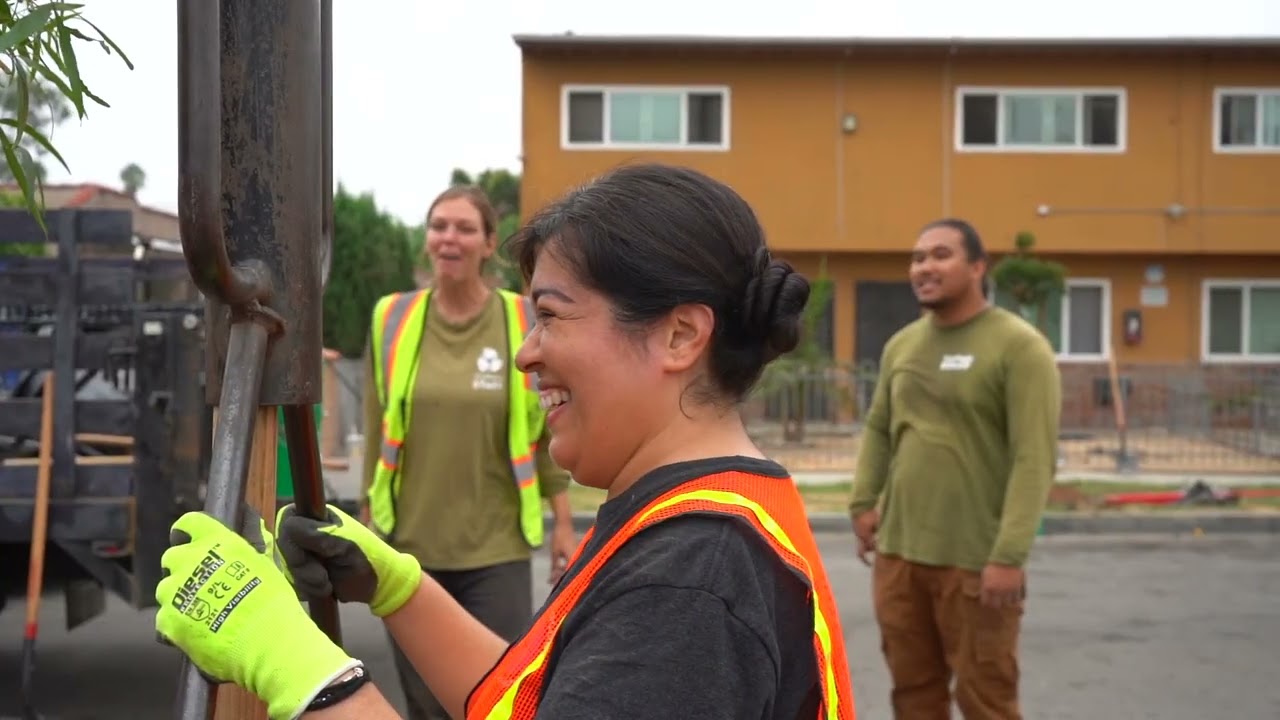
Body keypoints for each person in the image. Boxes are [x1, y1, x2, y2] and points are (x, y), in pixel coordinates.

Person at [152, 163, 858, 720]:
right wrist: (402, 589)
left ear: (680, 335)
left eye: (550, 315)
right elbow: (543, 700)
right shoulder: (706, 512)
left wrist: (299, 670)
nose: (527, 354)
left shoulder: (693, 580)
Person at [356, 184, 577, 719]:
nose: (448, 238)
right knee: (427, 705)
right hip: (410, 551)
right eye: (439, 226)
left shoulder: (522, 320)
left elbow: (546, 431)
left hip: (494, 552)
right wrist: (366, 526)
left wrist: (564, 525)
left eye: (463, 228)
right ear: (427, 239)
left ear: (487, 244)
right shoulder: (392, 319)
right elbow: (375, 426)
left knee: (498, 697)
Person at [847, 218, 1061, 719]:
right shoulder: (902, 346)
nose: (924, 267)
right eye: (918, 257)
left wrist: (1008, 556)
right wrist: (862, 501)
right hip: (900, 558)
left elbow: (1035, 458)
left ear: (978, 268)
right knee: (913, 694)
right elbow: (880, 429)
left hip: (976, 563)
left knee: (987, 699)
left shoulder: (1020, 348)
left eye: (941, 255)